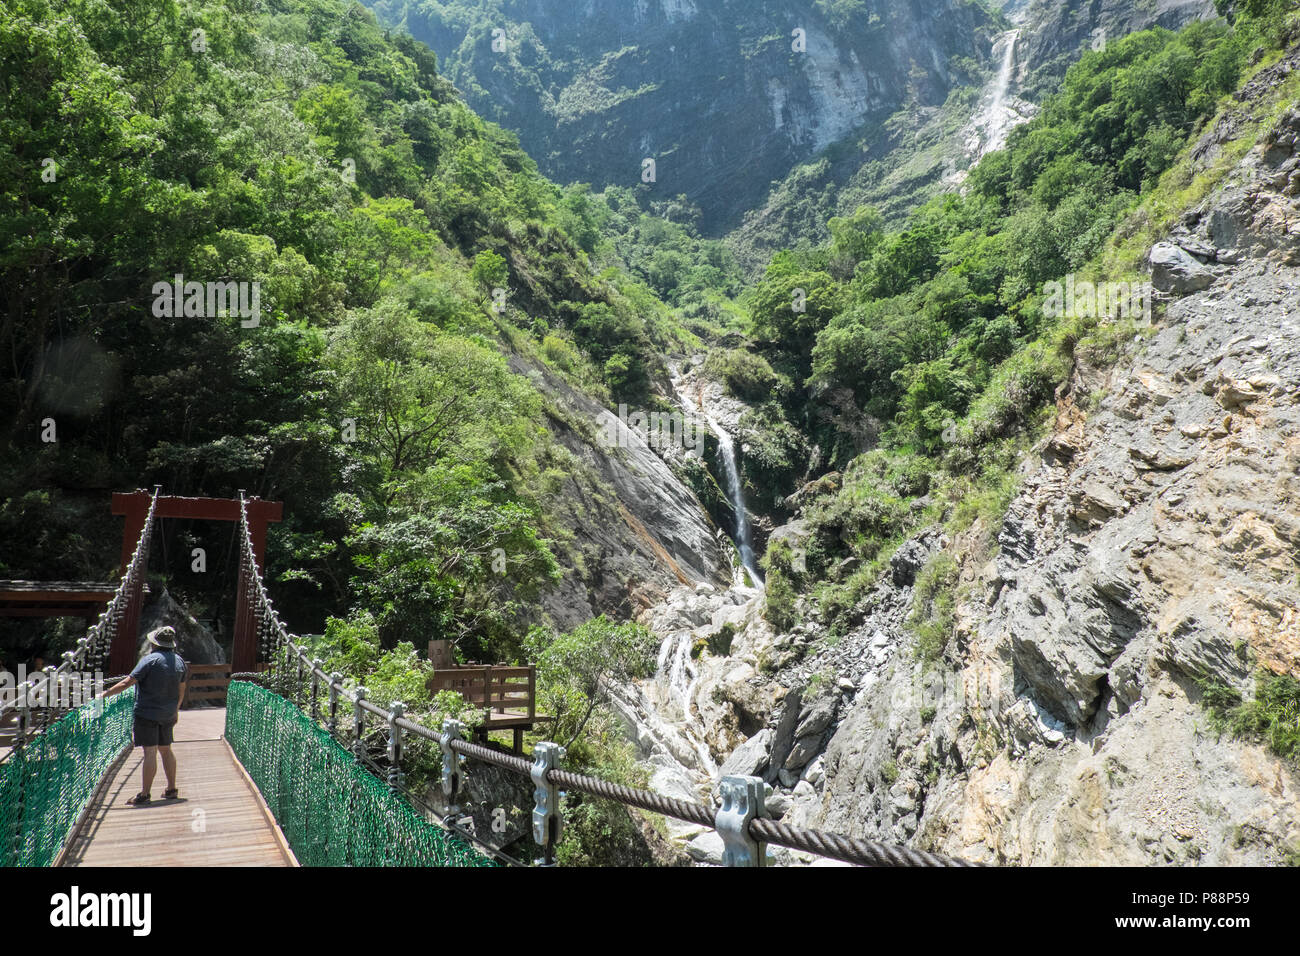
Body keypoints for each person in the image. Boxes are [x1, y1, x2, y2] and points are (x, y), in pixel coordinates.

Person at [101, 625, 189, 805]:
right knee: (166, 750)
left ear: (154, 643)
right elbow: (182, 689)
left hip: (147, 713)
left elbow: (127, 682)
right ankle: (172, 789)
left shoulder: (149, 660)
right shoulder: (179, 661)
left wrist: (103, 695)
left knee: (150, 752)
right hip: (168, 714)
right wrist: (175, 709)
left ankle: (145, 794)